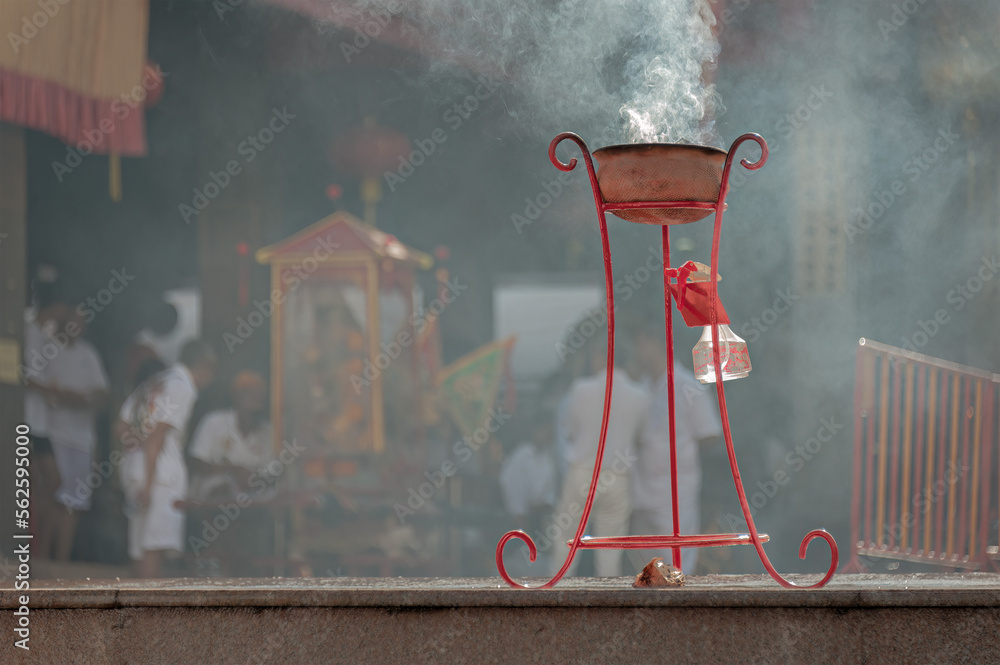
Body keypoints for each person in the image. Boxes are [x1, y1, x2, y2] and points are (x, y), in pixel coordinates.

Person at [551, 324, 648, 577]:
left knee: (566, 543)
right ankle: (608, 606)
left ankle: (552, 600)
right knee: (609, 552)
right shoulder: (640, 395)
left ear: (598, 357)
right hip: (618, 479)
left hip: (582, 473)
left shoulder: (580, 389)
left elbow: (570, 432)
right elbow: (642, 438)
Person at [116, 339, 217, 577]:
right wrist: (149, 484)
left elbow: (119, 427)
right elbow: (157, 437)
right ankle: (149, 612)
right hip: (159, 477)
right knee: (154, 546)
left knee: (139, 548)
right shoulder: (183, 386)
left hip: (134, 469)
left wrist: (137, 441)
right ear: (205, 367)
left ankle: (136, 610)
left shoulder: (155, 381)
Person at [629, 318, 721, 575]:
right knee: (646, 557)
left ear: (657, 344)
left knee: (677, 556)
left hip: (677, 487)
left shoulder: (689, 386)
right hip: (642, 483)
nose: (638, 351)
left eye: (641, 344)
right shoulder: (640, 389)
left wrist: (679, 452)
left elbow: (709, 434)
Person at [44, 309, 109, 561]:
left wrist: (85, 399)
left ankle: (61, 561)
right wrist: (65, 396)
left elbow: (102, 392)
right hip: (55, 433)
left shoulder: (88, 353)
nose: (77, 326)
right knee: (53, 493)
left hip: (83, 438)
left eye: (81, 322)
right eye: (73, 320)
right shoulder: (49, 350)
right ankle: (43, 557)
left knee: (75, 501)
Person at [22, 285, 68, 560]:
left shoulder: (45, 337)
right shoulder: (27, 331)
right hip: (26, 419)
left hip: (42, 422)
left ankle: (39, 549)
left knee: (52, 481)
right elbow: (21, 375)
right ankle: (28, 549)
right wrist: (52, 392)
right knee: (27, 482)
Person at [188, 370, 273, 502]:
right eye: (251, 396)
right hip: (209, 505)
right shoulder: (214, 422)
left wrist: (253, 480)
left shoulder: (268, 432)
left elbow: (271, 475)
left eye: (260, 397)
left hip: (251, 504)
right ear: (236, 398)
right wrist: (232, 470)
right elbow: (195, 462)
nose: (257, 403)